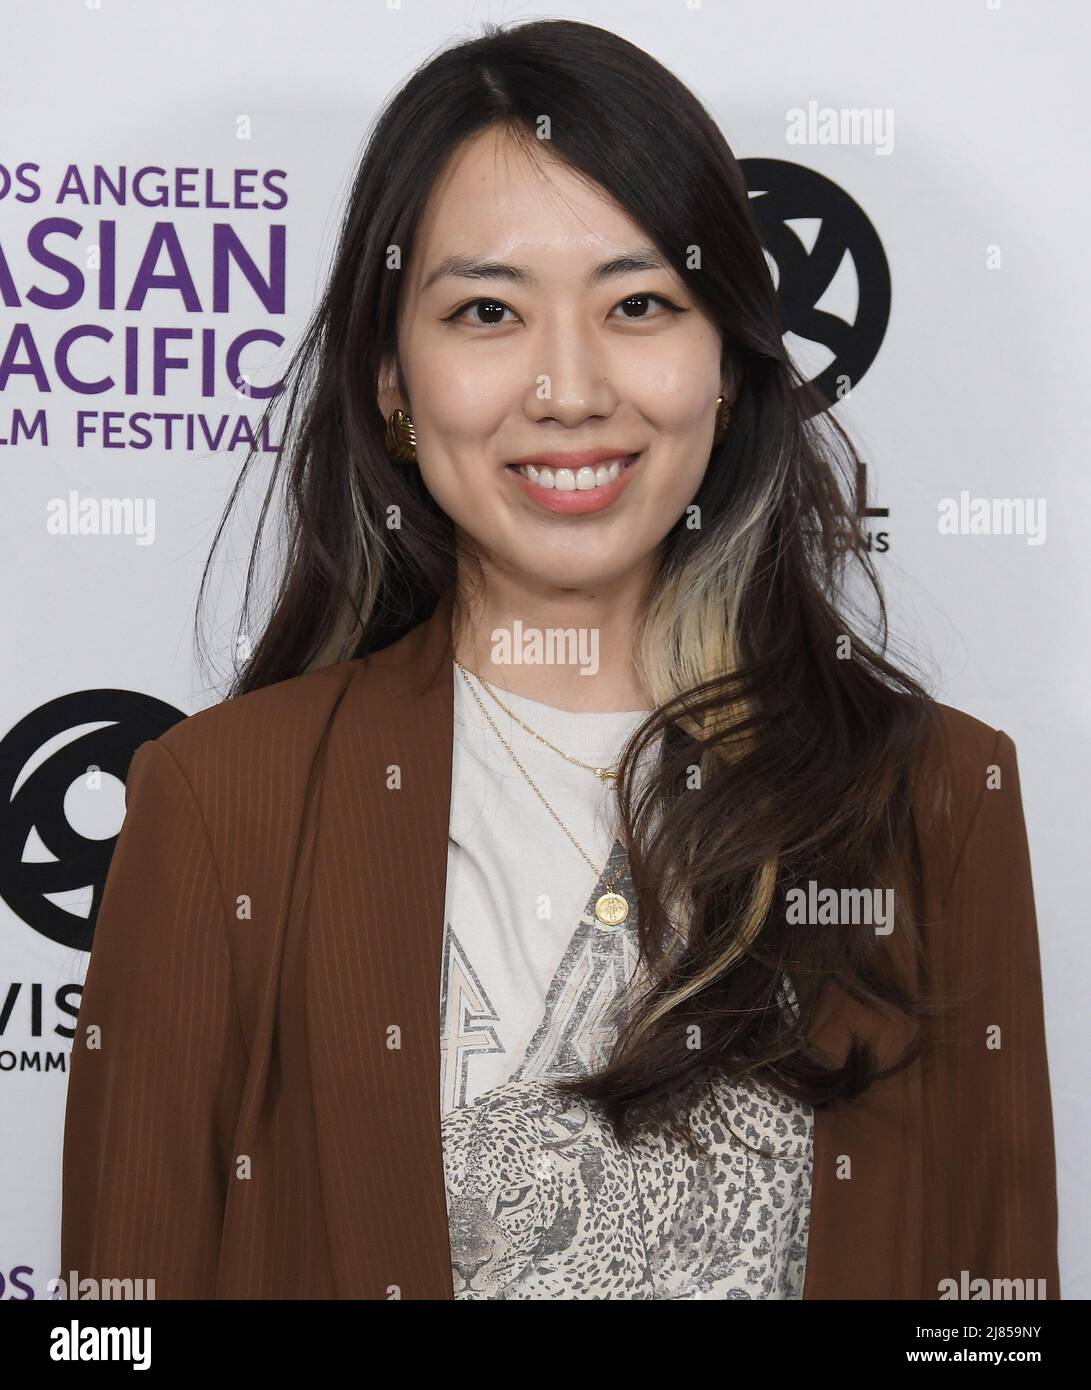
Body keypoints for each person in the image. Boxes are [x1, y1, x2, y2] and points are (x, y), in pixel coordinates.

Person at [60, 18, 1058, 1300]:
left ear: (728, 365)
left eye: (638, 304)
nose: (569, 388)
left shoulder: (929, 799)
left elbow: (992, 1312)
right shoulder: (224, 804)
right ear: (389, 381)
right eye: (487, 311)